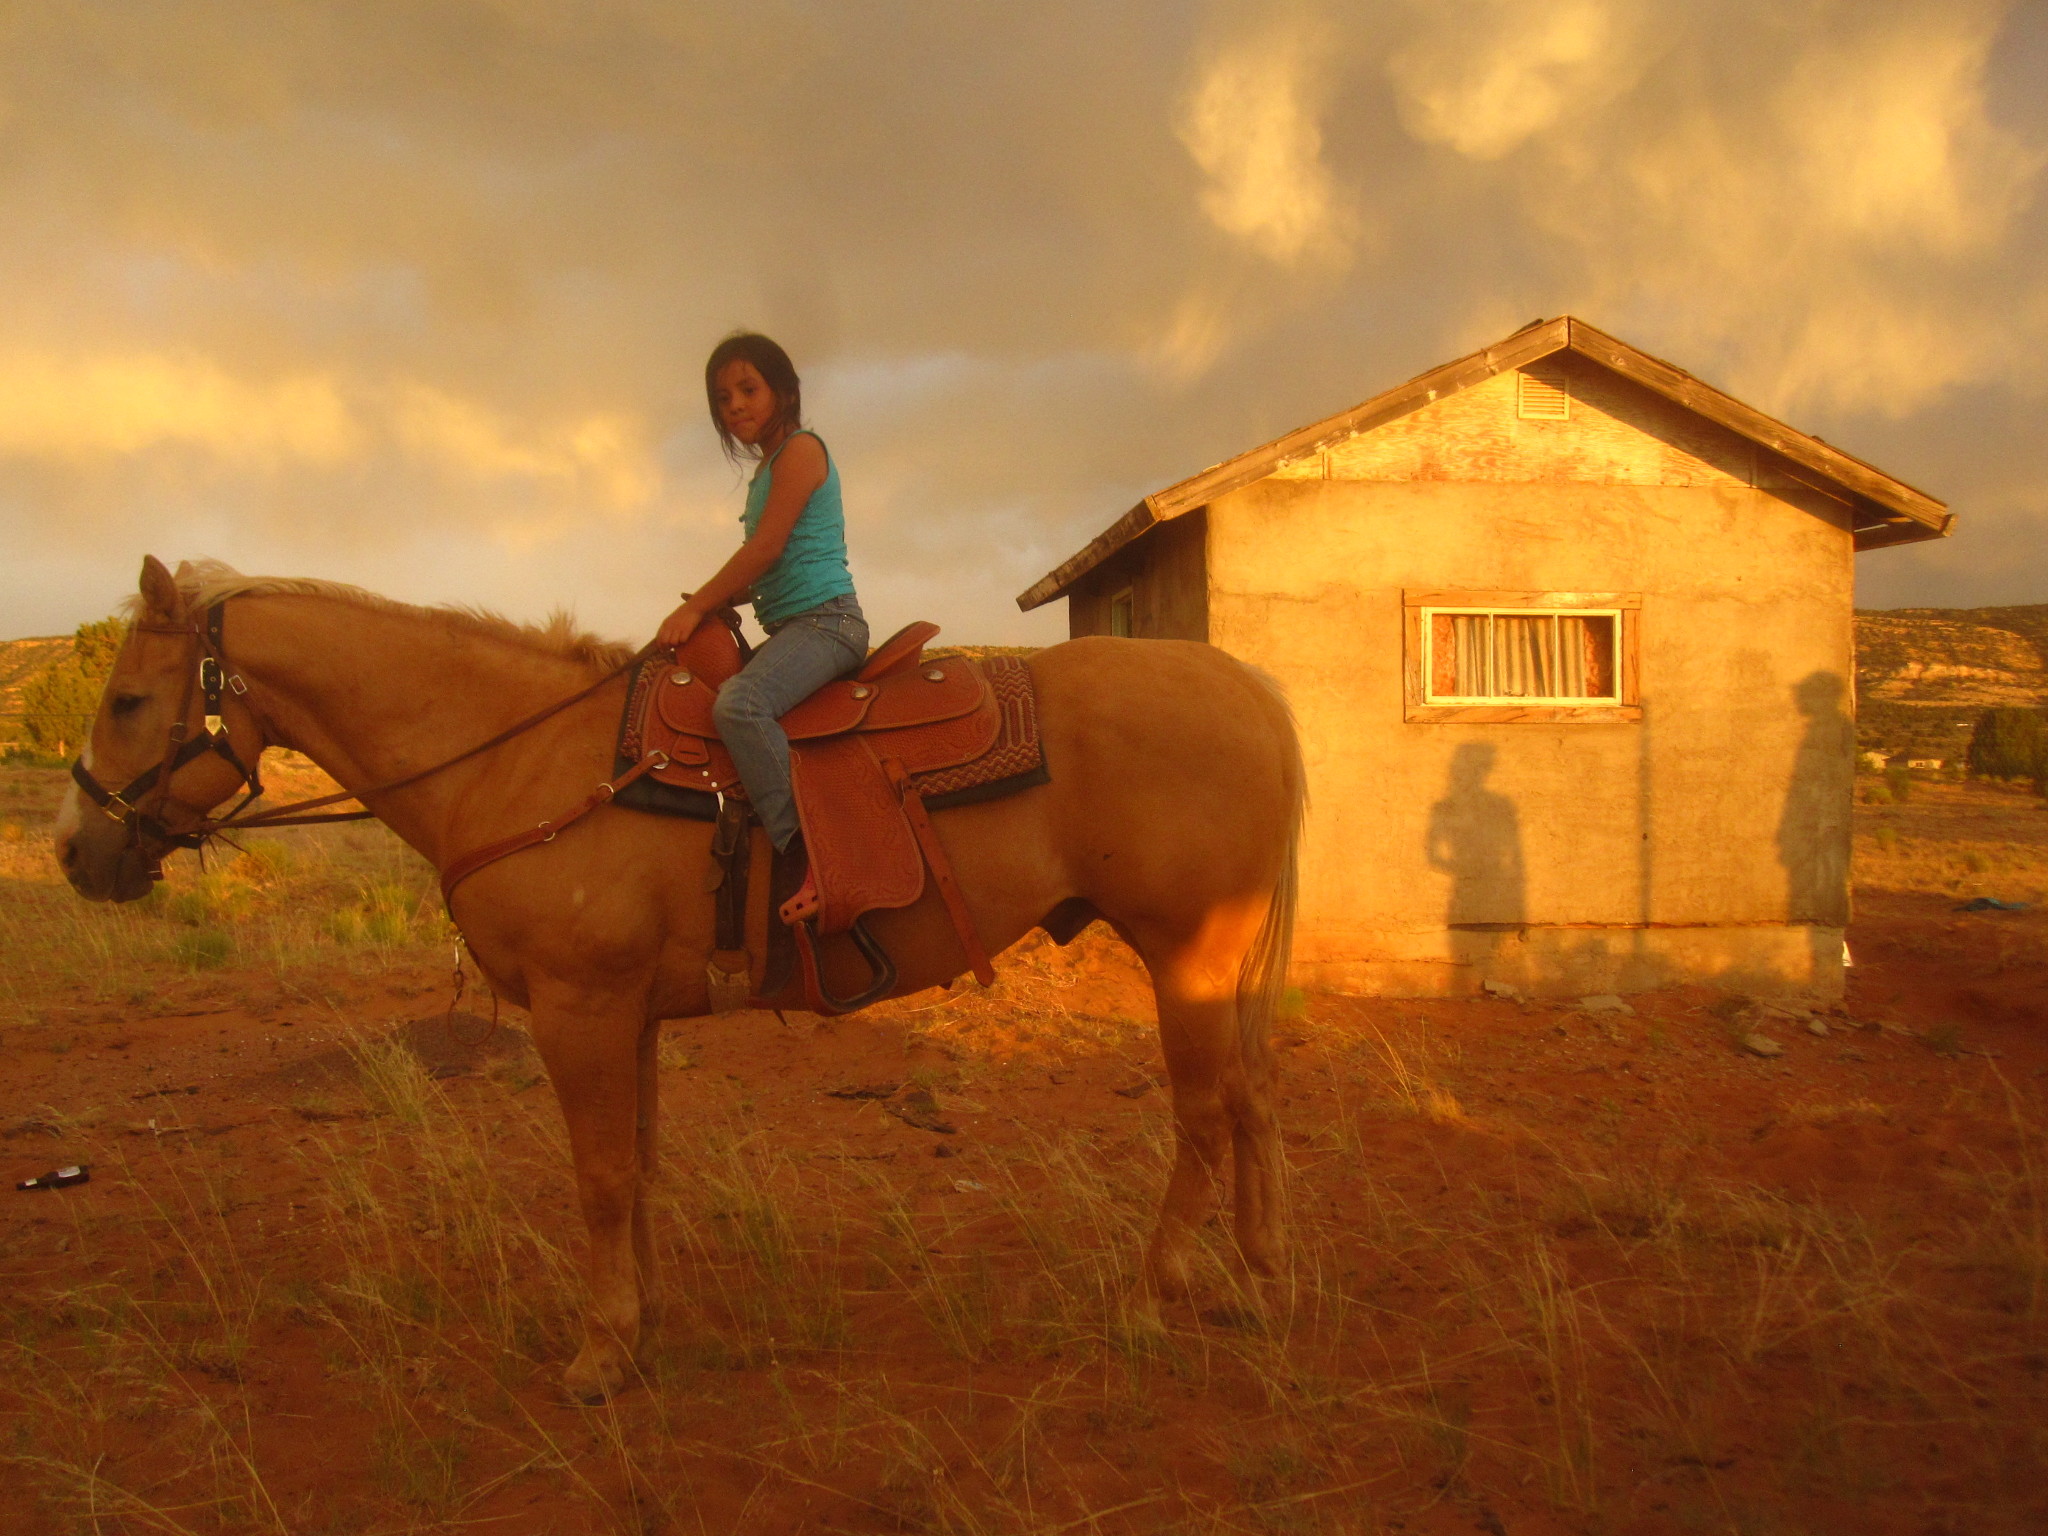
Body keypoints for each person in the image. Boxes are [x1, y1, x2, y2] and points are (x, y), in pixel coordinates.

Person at [657, 332, 868, 908]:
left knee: (739, 704)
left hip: (828, 625)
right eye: (724, 398)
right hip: (796, 627)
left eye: (749, 389)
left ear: (784, 391)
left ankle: (812, 857)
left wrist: (697, 604)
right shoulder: (767, 471)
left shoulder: (802, 451)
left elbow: (766, 549)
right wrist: (725, 602)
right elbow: (769, 569)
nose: (736, 406)